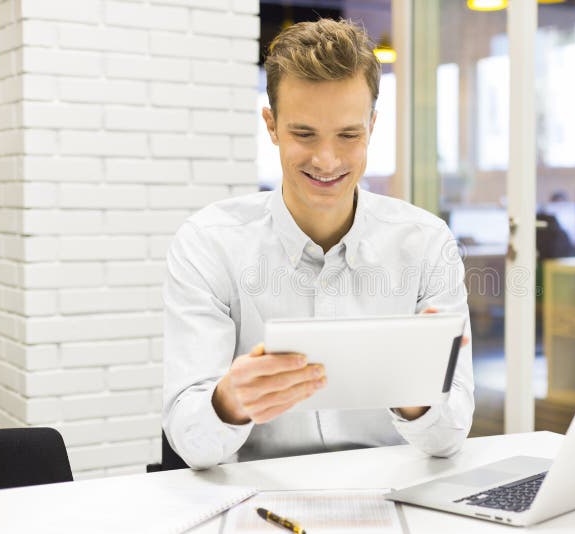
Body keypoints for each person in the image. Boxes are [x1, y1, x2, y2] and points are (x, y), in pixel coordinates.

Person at [162, 18, 474, 469]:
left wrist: (414, 392)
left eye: (348, 135)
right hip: (257, 494)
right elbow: (191, 444)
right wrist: (229, 401)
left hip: (390, 491)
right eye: (304, 134)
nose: (327, 161)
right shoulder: (208, 244)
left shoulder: (426, 244)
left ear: (372, 126)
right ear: (271, 125)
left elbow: (448, 440)